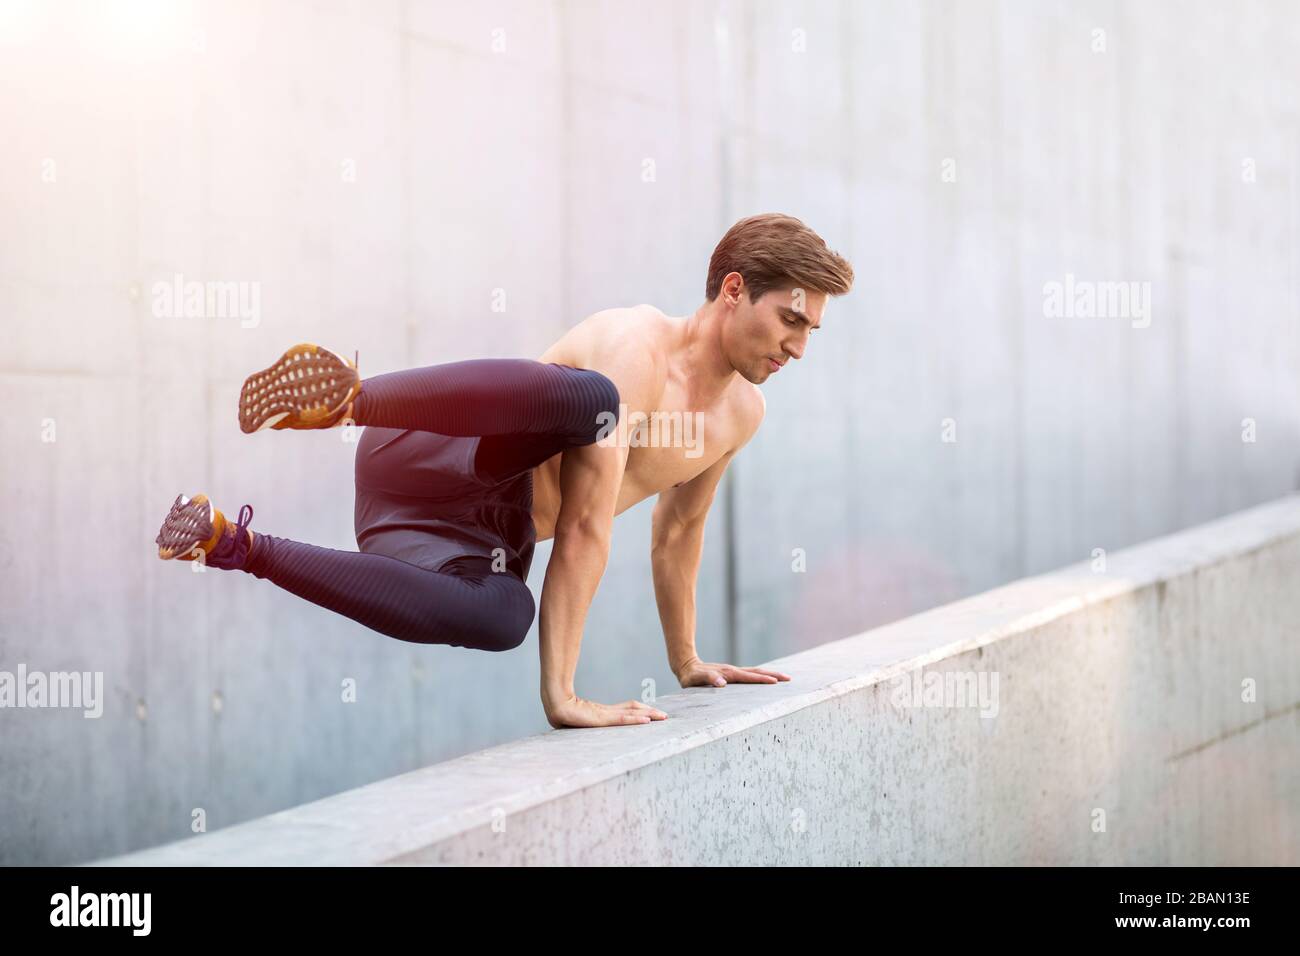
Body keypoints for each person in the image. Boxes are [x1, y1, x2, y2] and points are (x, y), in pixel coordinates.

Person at [154, 213, 854, 729]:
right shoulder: (634, 346)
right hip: (423, 444)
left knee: (505, 614)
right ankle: (349, 398)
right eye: (791, 319)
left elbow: (678, 534)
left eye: (811, 331)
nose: (798, 346)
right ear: (734, 289)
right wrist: (563, 694)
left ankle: (231, 543)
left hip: (437, 535)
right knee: (593, 400)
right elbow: (584, 524)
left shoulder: (741, 416)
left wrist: (687, 659)